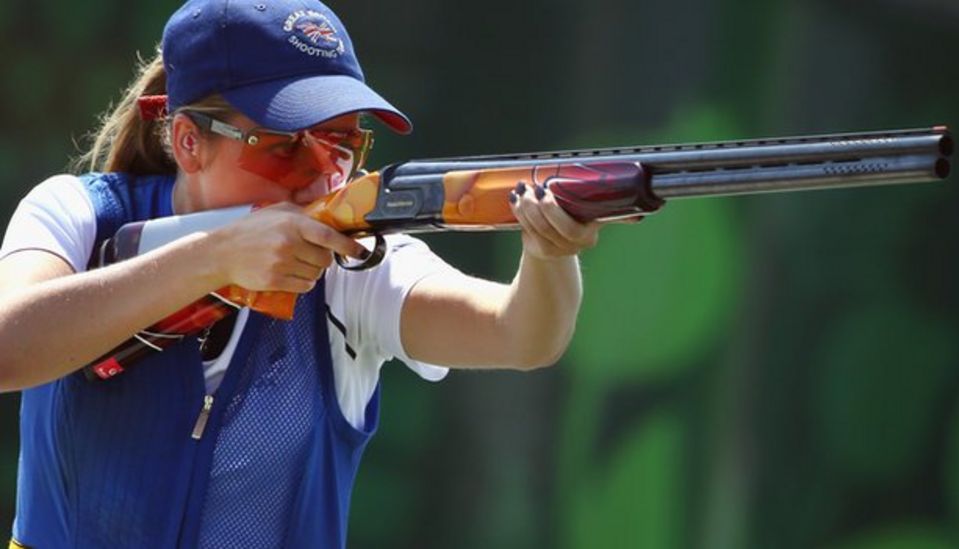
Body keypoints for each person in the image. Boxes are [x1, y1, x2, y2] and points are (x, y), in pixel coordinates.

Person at [0, 1, 602, 547]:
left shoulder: (351, 264)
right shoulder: (79, 214)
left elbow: (520, 336)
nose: (321, 177)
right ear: (188, 142)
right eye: (283, 145)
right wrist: (214, 258)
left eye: (341, 144)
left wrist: (550, 256)